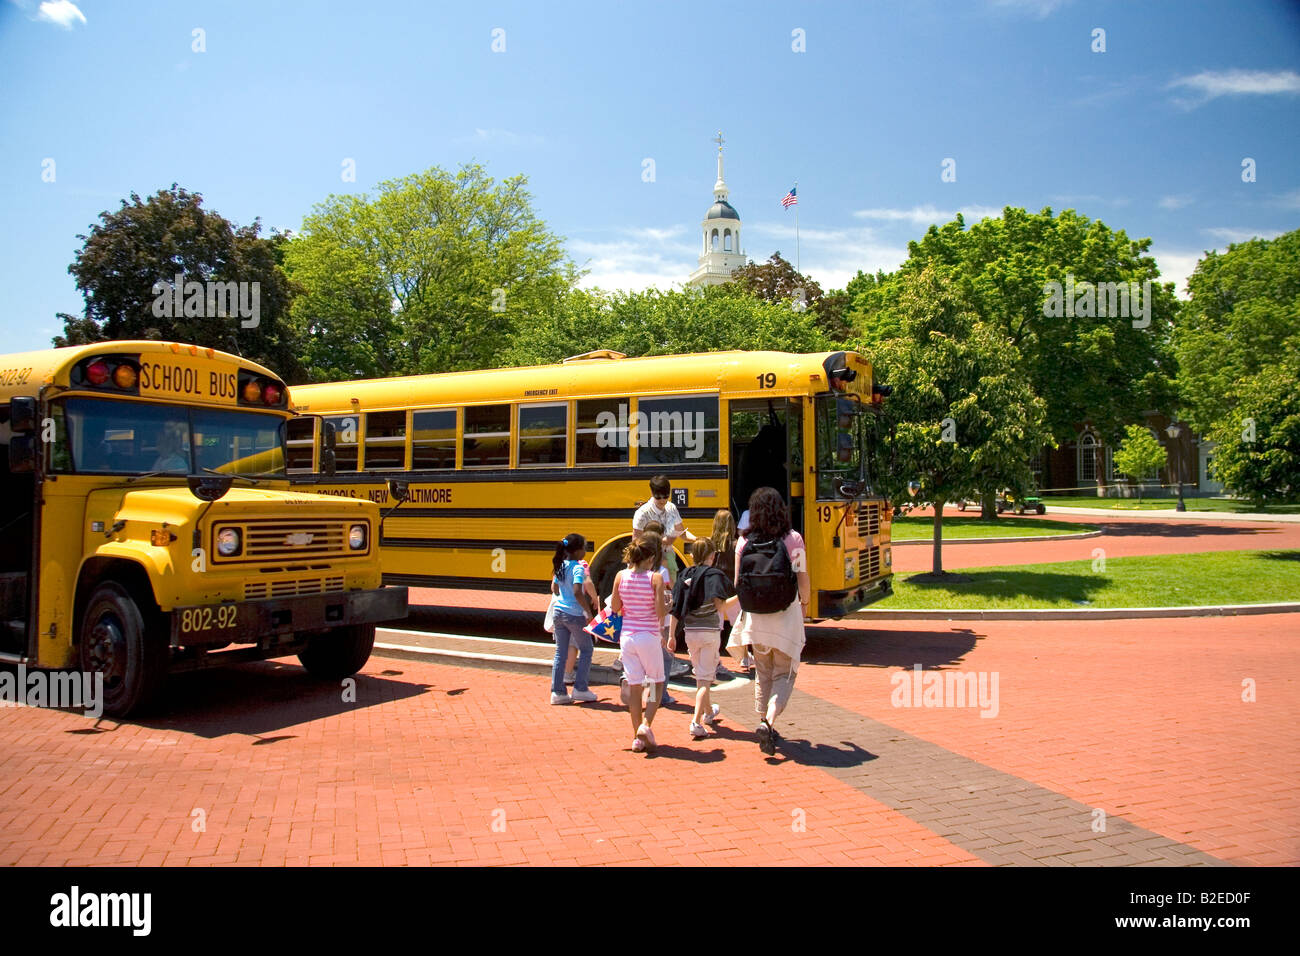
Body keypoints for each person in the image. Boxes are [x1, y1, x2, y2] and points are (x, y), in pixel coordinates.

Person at [730, 487, 809, 756]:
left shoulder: (743, 542)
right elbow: (802, 577)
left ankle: (763, 721)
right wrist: (805, 604)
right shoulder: (793, 539)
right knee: (784, 674)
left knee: (762, 672)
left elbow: (737, 582)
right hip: (785, 616)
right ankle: (768, 721)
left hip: (756, 619)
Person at [669, 538, 732, 739]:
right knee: (705, 680)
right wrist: (741, 597)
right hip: (710, 632)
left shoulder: (685, 575)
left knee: (699, 675)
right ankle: (696, 721)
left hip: (690, 632)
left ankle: (708, 712)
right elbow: (721, 607)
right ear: (711, 556)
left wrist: (671, 635)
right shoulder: (714, 576)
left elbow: (676, 608)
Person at [611, 538, 667, 753]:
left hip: (627, 637)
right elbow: (660, 612)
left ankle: (637, 738)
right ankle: (646, 724)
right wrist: (667, 604)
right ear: (651, 558)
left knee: (634, 687)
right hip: (649, 635)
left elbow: (616, 606)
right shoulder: (656, 578)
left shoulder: (620, 576)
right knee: (655, 683)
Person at [548, 534, 598, 704]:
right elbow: (578, 591)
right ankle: (580, 688)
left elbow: (554, 588)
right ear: (577, 551)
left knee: (560, 653)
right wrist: (588, 612)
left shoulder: (560, 565)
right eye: (584, 548)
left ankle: (558, 692)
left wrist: (563, 593)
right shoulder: (578, 568)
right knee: (586, 649)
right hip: (574, 614)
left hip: (558, 612)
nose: (585, 551)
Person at [639, 526, 677, 707]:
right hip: (658, 624)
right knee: (664, 659)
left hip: (639, 624)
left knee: (649, 662)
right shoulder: (661, 573)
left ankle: (651, 695)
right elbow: (663, 602)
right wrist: (662, 629)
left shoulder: (632, 572)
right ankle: (659, 696)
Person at [710, 509, 739, 671]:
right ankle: (744, 657)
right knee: (738, 624)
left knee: (717, 627)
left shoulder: (711, 545)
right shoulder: (735, 545)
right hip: (732, 591)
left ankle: (716, 660)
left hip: (716, 590)